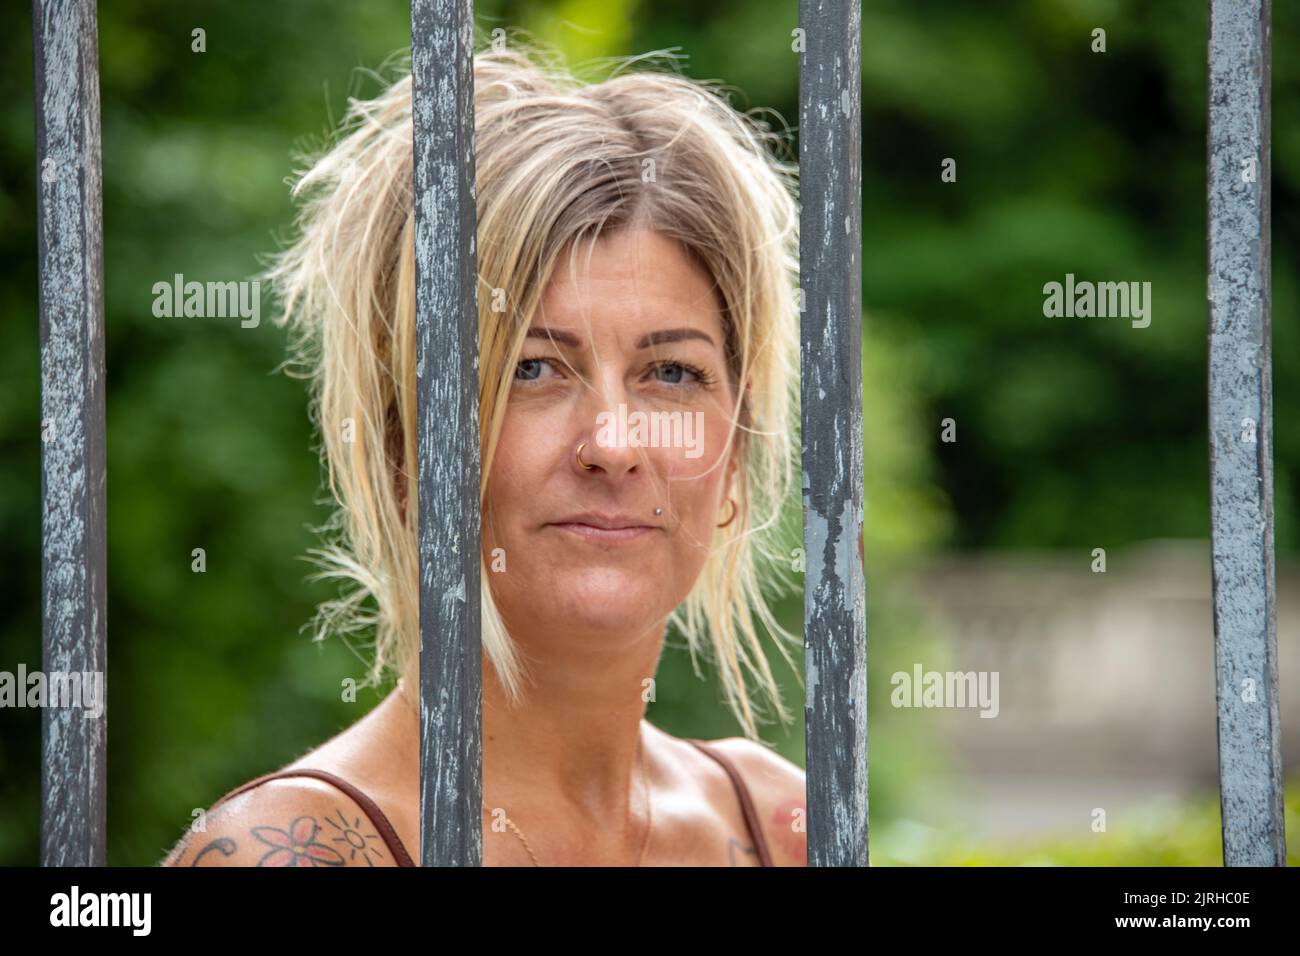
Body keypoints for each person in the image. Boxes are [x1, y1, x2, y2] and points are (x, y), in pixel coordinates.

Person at [162, 38, 806, 867]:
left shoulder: (784, 824)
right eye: (533, 369)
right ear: (404, 447)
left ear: (737, 444)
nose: (613, 445)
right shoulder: (292, 854)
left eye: (672, 373)